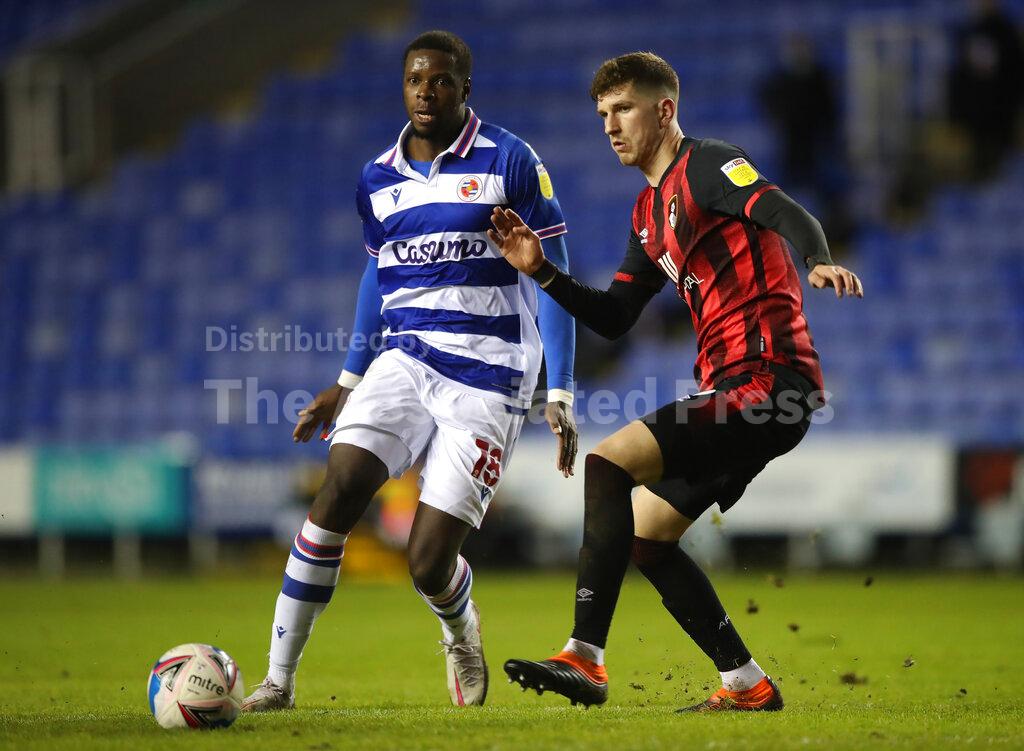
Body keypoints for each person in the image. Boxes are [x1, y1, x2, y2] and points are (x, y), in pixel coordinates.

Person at [488, 52, 863, 712]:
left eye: (623, 108)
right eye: (603, 113)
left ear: (665, 110)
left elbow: (785, 212)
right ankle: (747, 684)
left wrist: (820, 260)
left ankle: (585, 656)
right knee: (649, 535)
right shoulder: (646, 213)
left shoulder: (709, 165)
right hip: (738, 389)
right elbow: (615, 315)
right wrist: (542, 270)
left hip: (772, 381)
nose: (610, 125)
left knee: (608, 462)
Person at [242, 30, 578, 711]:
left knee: (427, 559)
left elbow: (555, 270)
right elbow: (377, 273)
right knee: (337, 490)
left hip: (488, 374)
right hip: (404, 361)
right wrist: (348, 379)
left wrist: (561, 386)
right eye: (416, 80)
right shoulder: (377, 177)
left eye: (442, 80)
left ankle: (460, 626)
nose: (427, 90)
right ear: (404, 88)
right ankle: (278, 679)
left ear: (464, 88)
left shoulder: (509, 159)